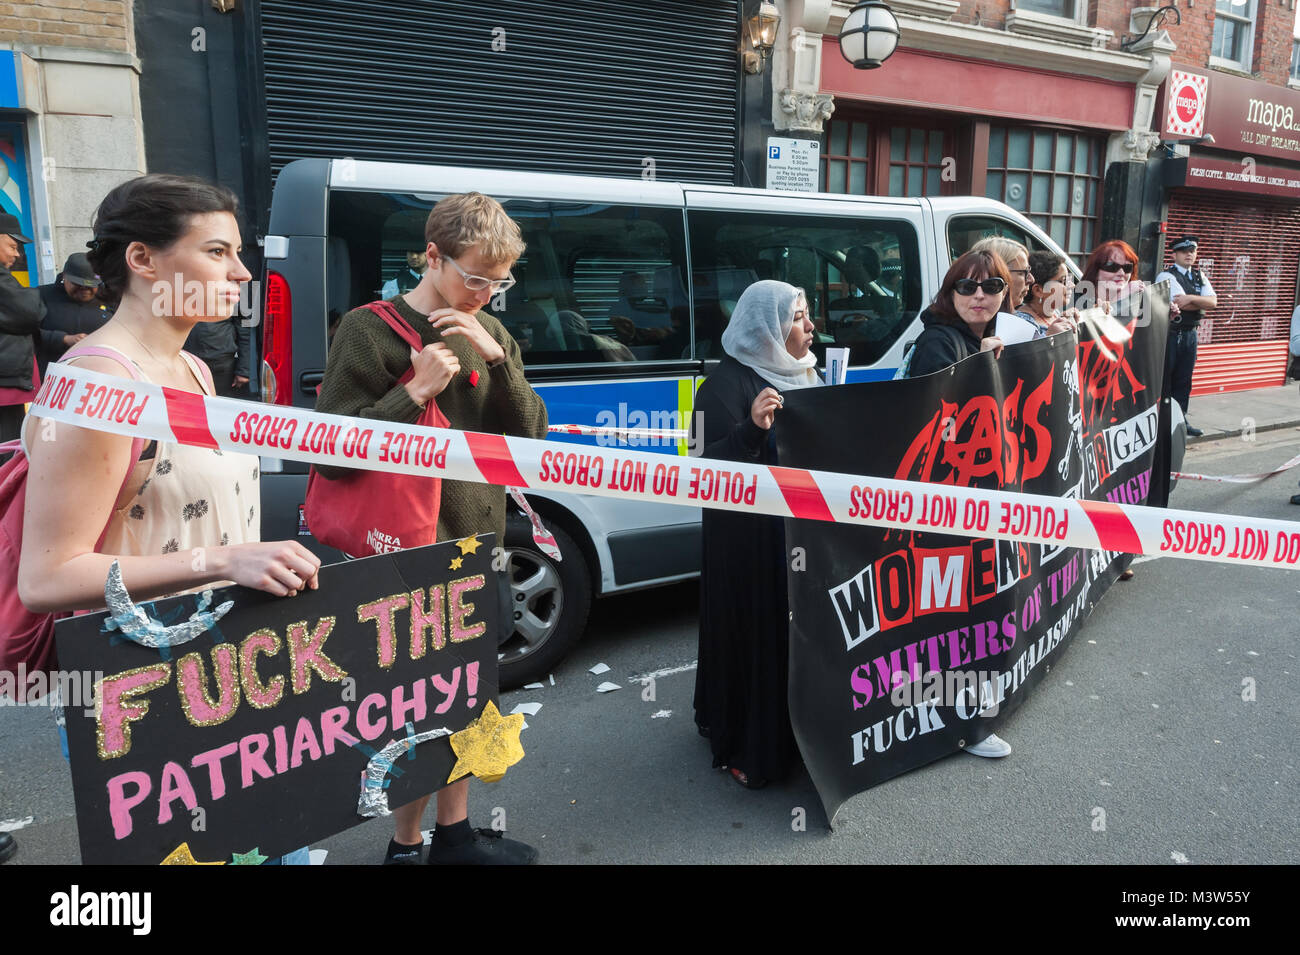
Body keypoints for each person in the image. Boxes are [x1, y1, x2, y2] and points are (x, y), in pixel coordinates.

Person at [16, 174, 322, 864]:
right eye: (217, 252)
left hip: (230, 668)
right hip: (142, 690)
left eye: (237, 252)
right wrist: (222, 561)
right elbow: (46, 577)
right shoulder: (92, 386)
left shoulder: (192, 369)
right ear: (143, 260)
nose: (242, 272)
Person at [314, 191, 547, 865]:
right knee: (409, 709)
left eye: (498, 281)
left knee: (470, 697)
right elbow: (331, 455)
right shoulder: (367, 329)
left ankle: (455, 833)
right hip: (398, 559)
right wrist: (411, 392)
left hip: (480, 551)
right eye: (473, 276)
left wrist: (497, 363)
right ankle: (405, 842)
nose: (484, 292)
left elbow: (529, 439)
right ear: (432, 255)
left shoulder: (491, 332)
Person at [693, 280, 821, 789]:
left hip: (797, 537)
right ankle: (750, 743)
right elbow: (701, 464)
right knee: (758, 636)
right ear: (768, 327)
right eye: (798, 318)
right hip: (748, 546)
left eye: (809, 316)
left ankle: (799, 735)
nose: (810, 327)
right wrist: (750, 432)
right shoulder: (723, 386)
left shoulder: (806, 372)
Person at [906, 249, 1007, 380]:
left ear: (1004, 293)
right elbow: (939, 400)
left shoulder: (1003, 335)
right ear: (952, 294)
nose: (979, 295)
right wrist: (982, 363)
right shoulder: (935, 344)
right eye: (967, 287)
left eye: (991, 286)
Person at [1154, 236, 1217, 437]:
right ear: (1174, 254)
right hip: (1172, 334)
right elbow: (1181, 305)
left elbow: (1213, 302)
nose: (1189, 254)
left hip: (1190, 334)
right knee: (1167, 379)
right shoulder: (1166, 276)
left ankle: (1180, 421)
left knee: (1184, 380)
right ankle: (1161, 422)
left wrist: (1190, 298)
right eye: (1184, 251)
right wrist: (1199, 301)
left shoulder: (1199, 276)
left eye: (1193, 250)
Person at [0, 212, 44, 456]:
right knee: (7, 452)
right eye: (13, 246)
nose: (17, 255)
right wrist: (36, 299)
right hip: (5, 383)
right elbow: (31, 312)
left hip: (8, 383)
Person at [36, 252, 113, 378]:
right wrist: (63, 339)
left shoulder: (109, 298)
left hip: (99, 379)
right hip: (54, 378)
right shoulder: (42, 296)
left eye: (91, 285)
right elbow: (27, 334)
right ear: (64, 277)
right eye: (78, 284)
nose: (85, 289)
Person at [1016, 250, 1080, 339]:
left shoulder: (1053, 313)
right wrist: (1048, 337)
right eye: (1063, 281)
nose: (1072, 285)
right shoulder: (1022, 322)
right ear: (1038, 290)